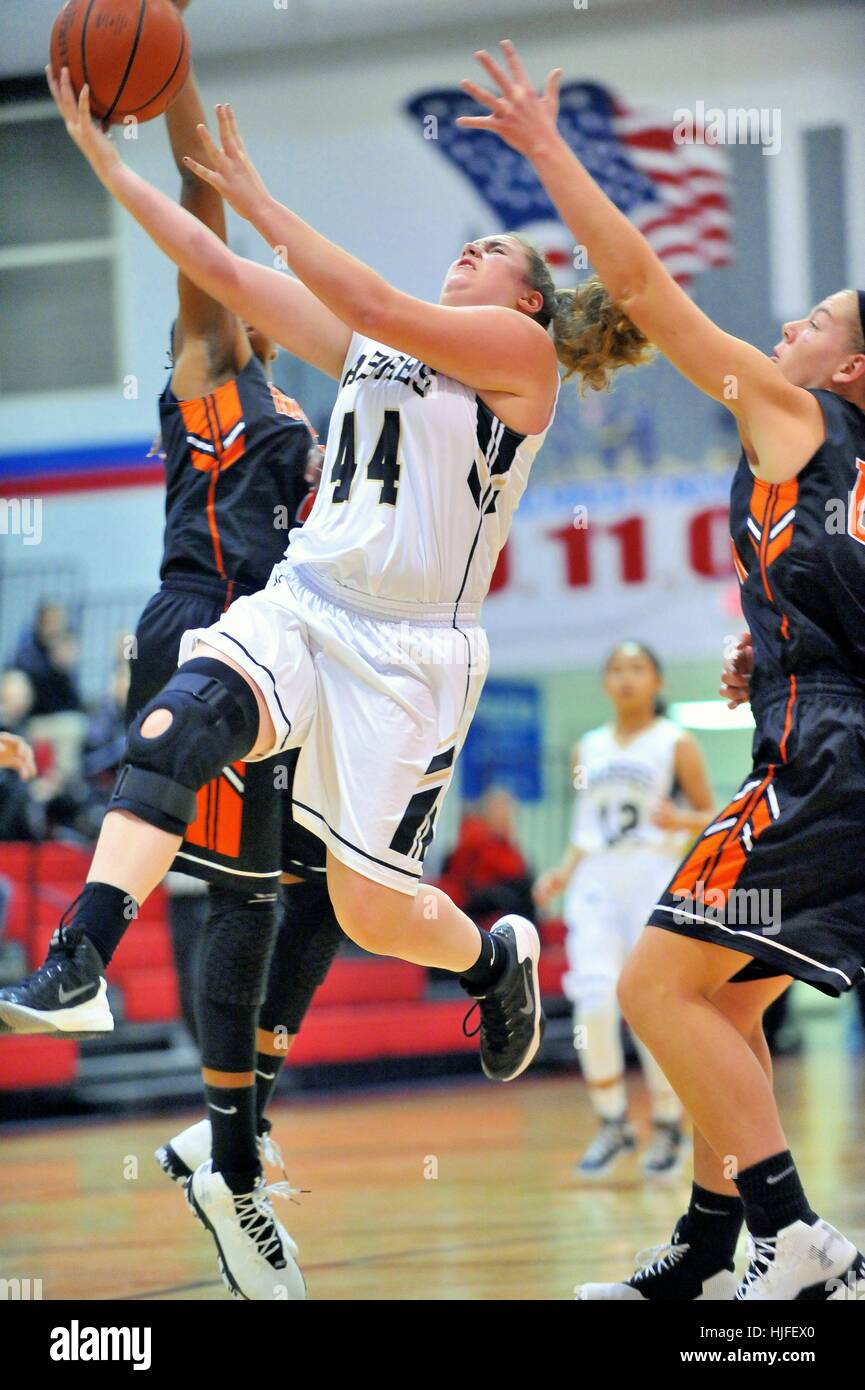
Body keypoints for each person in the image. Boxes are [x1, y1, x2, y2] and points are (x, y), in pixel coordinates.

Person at [0, 60, 651, 1298]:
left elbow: (356, 294)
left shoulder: (519, 364)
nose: (464, 260)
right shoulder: (375, 350)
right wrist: (111, 169)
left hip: (410, 656)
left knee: (361, 911)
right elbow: (236, 282)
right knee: (173, 725)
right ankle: (77, 957)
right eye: (460, 252)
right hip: (300, 606)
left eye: (486, 254)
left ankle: (485, 958)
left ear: (528, 298)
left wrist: (260, 192)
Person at [462, 40, 865, 1302]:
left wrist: (544, 151)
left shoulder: (800, 419)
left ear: (845, 371)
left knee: (649, 983)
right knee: (723, 1005)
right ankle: (701, 1250)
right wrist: (787, 642)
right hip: (830, 755)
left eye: (811, 324)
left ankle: (798, 1239)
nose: (786, 326)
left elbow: (638, 284)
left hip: (823, 769)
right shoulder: (837, 477)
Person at [535, 641, 714, 1180]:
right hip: (596, 880)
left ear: (657, 682)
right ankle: (611, 1119)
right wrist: (563, 872)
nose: (627, 678)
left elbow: (713, 815)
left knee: (649, 1005)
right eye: (616, 669)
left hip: (653, 878)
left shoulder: (676, 742)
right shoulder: (585, 748)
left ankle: (666, 1123)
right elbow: (585, 825)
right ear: (605, 682)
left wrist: (679, 820)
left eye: (638, 669)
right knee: (593, 997)